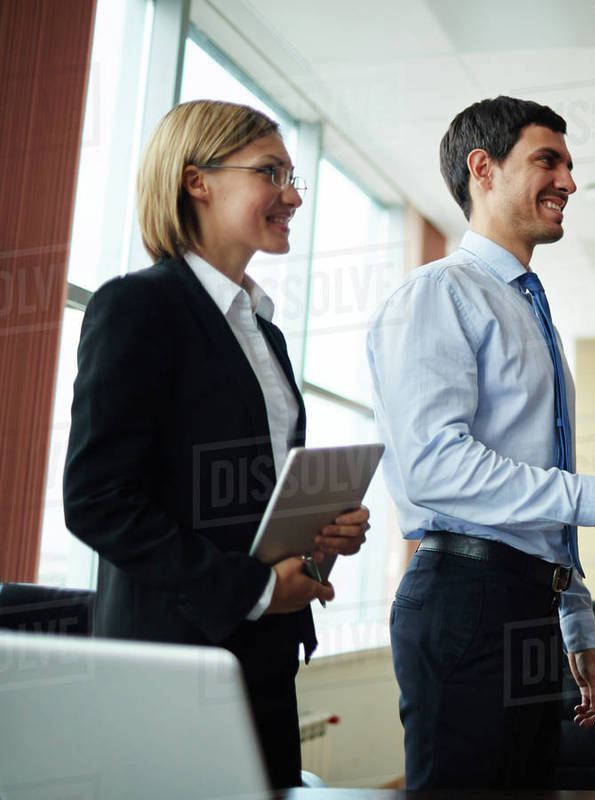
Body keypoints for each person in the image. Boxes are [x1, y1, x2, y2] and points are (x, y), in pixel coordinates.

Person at [366, 96, 595, 790]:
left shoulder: (530, 313)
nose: (570, 183)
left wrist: (577, 628)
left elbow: (534, 503)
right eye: (547, 161)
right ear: (482, 169)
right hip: (464, 600)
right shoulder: (439, 294)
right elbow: (437, 467)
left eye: (570, 165)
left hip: (530, 605)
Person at [63, 100, 370, 789]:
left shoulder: (266, 334)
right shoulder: (138, 307)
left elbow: (246, 501)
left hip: (262, 652)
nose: (292, 196)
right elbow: (97, 501)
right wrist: (257, 587)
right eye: (272, 173)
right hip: (172, 660)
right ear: (198, 180)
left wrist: (315, 535)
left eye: (295, 177)